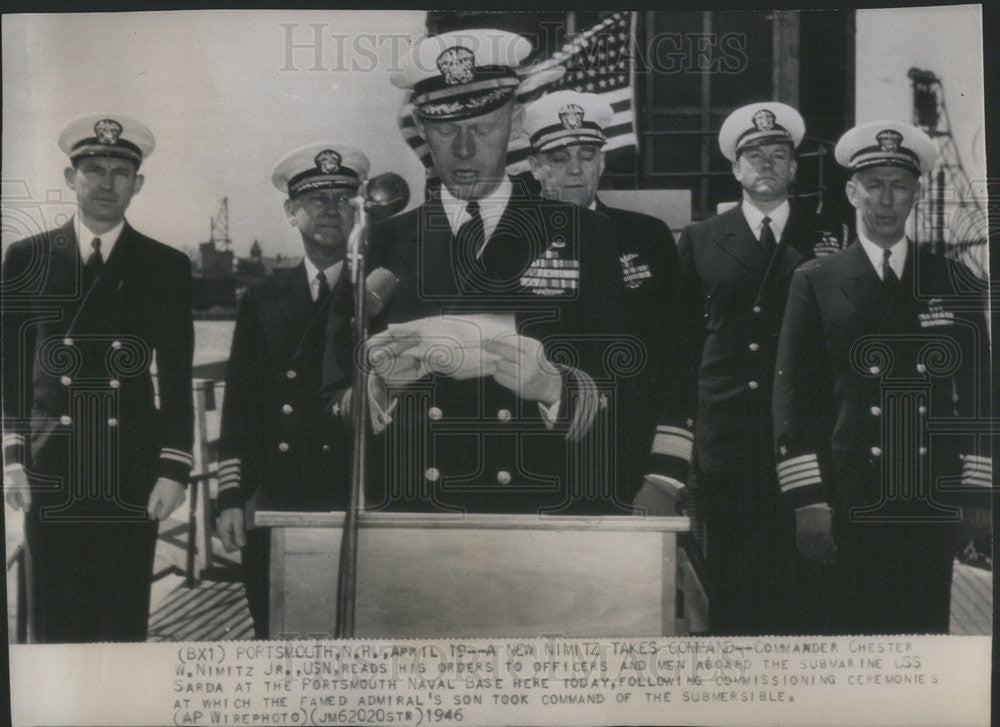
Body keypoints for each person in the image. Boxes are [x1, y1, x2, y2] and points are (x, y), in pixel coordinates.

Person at [326, 29, 628, 515]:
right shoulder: (377, 242)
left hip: (539, 505)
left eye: (483, 128)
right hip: (416, 510)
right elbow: (331, 394)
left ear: (515, 123)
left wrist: (554, 388)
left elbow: (625, 379)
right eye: (447, 131)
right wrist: (378, 388)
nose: (465, 150)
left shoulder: (583, 234)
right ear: (423, 129)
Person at [773, 121, 992, 634]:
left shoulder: (954, 280)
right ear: (852, 191)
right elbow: (793, 397)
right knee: (848, 641)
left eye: (899, 185)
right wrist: (809, 500)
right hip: (848, 497)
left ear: (916, 192)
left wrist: (978, 492)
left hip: (929, 498)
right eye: (874, 185)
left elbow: (981, 391)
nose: (886, 199)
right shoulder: (815, 281)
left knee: (924, 640)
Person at [1, 114, 193, 642]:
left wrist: (174, 469)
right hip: (51, 470)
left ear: (138, 183)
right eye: (94, 169)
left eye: (120, 173)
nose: (107, 183)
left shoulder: (165, 265)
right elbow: (10, 371)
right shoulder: (27, 258)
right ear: (71, 179)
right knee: (53, 628)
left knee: (122, 623)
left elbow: (176, 378)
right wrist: (12, 459)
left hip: (128, 471)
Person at [676, 102, 848, 635]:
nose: (767, 163)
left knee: (810, 585)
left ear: (795, 168)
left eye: (779, 154)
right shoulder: (702, 238)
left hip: (807, 436)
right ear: (735, 168)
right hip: (730, 437)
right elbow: (684, 346)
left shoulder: (831, 233)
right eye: (755, 154)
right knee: (734, 584)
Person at [215, 143, 369, 638]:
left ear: (357, 210)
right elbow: (240, 402)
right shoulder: (261, 298)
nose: (331, 208)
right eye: (316, 198)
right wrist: (229, 496)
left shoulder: (379, 290)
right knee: (277, 629)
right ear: (291, 212)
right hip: (278, 492)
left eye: (343, 198)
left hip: (356, 492)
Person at [522, 90, 696, 508]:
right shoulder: (509, 242)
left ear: (602, 161)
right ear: (535, 167)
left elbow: (680, 357)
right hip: (530, 463)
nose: (576, 169)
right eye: (559, 157)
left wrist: (666, 474)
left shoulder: (646, 236)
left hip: (628, 460)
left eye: (587, 153)